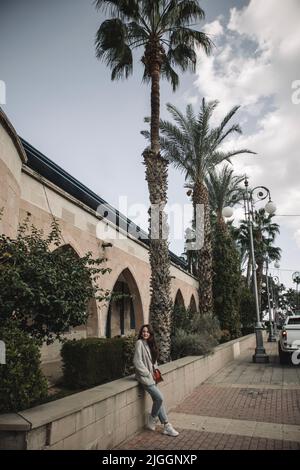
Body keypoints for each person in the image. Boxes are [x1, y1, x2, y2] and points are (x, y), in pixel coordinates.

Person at [133, 324, 179, 437]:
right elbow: (137, 361)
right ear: (141, 333)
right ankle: (152, 418)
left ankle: (167, 426)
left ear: (150, 334)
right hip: (145, 378)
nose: (145, 333)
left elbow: (154, 362)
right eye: (143, 331)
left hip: (153, 377)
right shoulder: (139, 343)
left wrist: (155, 372)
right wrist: (148, 374)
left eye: (147, 332)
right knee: (160, 398)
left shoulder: (149, 344)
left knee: (158, 400)